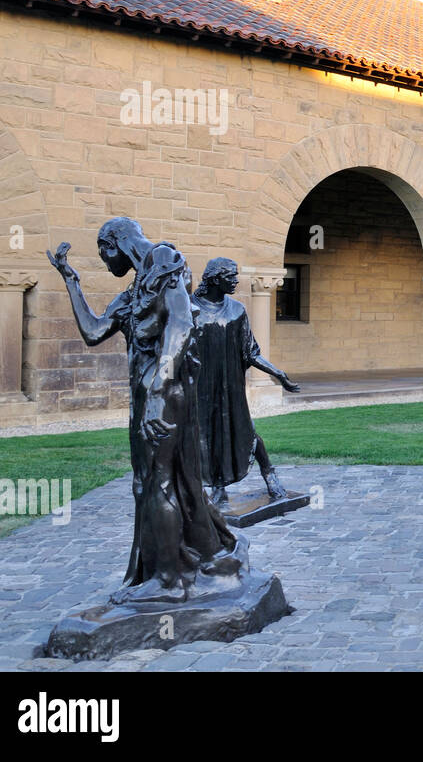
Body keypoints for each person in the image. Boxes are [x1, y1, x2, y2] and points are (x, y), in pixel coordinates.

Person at [47, 219, 244, 604]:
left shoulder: (164, 259)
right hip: (148, 396)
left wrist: (159, 388)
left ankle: (168, 582)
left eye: (103, 252)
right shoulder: (134, 291)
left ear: (113, 242)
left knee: (160, 482)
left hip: (164, 394)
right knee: (147, 484)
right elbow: (93, 331)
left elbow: (182, 325)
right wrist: (71, 281)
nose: (105, 263)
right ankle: (176, 561)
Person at [191, 257, 300, 505]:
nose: (236, 281)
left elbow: (250, 352)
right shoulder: (189, 307)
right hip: (200, 387)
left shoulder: (237, 310)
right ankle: (217, 486)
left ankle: (269, 472)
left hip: (230, 386)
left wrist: (278, 374)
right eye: (231, 277)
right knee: (205, 436)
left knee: (245, 431)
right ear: (216, 279)